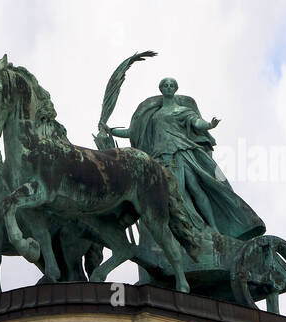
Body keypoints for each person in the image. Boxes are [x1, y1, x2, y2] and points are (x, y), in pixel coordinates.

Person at [101, 78, 265, 240]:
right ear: (161, 89)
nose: (168, 87)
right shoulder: (153, 115)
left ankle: (212, 227)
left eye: (172, 85)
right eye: (165, 85)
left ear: (175, 88)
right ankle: (189, 228)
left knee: (195, 188)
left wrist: (209, 125)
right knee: (174, 194)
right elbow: (132, 132)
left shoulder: (182, 110)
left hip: (182, 152)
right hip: (161, 157)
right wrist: (110, 130)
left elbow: (196, 122)